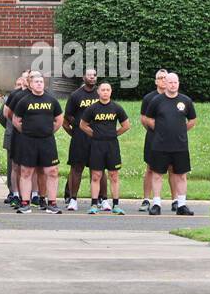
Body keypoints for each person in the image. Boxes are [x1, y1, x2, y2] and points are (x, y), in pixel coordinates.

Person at [141, 71, 197, 216]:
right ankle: (156, 204)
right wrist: (160, 130)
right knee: (157, 174)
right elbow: (148, 118)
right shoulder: (157, 101)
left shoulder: (186, 101)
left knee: (181, 175)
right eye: (170, 82)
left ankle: (181, 204)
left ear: (178, 83)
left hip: (180, 145)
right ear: (166, 83)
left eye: (175, 82)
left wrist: (180, 131)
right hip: (160, 145)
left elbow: (192, 120)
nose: (172, 85)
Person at [12, 71, 64, 214]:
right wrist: (28, 131)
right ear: (30, 84)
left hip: (47, 141)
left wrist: (48, 131)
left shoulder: (51, 100)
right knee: (26, 171)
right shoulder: (24, 101)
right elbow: (16, 120)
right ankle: (25, 203)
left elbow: (59, 120)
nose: (39, 84)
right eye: (36, 82)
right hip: (28, 141)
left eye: (41, 82)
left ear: (44, 84)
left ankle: (52, 203)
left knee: (52, 171)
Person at [77, 81, 130, 214]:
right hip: (97, 145)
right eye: (103, 90)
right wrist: (94, 134)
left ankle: (116, 205)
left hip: (112, 145)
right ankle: (94, 204)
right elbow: (82, 125)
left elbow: (126, 125)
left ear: (111, 92)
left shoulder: (117, 108)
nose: (105, 92)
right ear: (98, 92)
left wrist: (113, 134)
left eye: (108, 90)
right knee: (96, 175)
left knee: (114, 175)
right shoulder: (92, 108)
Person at [63, 68, 104, 211]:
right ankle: (72, 198)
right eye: (89, 75)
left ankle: (102, 199)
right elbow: (67, 118)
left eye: (94, 75)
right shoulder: (75, 95)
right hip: (80, 138)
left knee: (99, 169)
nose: (92, 77)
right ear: (83, 77)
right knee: (76, 168)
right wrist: (75, 133)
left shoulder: (101, 93)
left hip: (98, 138)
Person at [138, 69, 169, 212]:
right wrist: (157, 130)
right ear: (156, 81)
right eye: (160, 78)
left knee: (173, 169)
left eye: (165, 77)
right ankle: (146, 199)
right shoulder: (149, 98)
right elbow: (144, 119)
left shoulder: (175, 97)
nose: (163, 80)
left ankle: (176, 201)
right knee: (150, 168)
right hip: (153, 137)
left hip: (172, 139)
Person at [1, 71, 29, 206]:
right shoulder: (11, 97)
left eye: (23, 82)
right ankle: (13, 192)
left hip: (28, 136)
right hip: (12, 134)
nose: (20, 85)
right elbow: (3, 117)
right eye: (18, 83)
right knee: (13, 165)